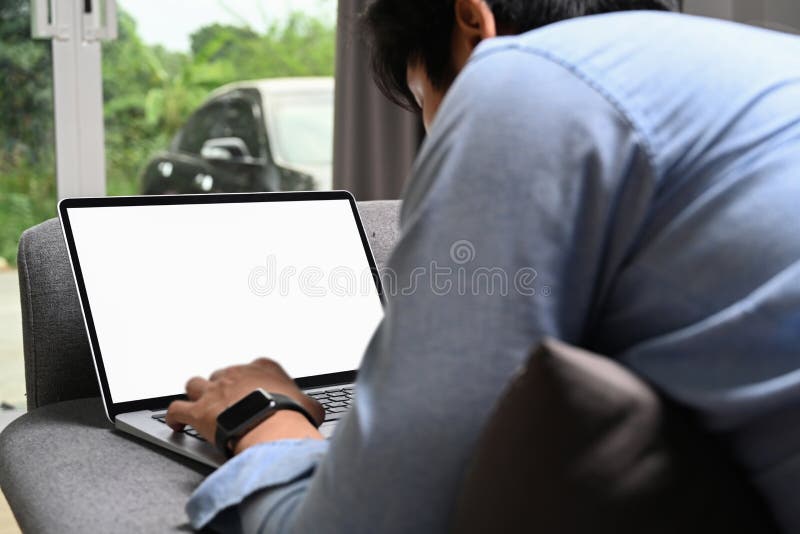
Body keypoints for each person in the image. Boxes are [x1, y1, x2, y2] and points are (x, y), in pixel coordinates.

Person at [165, 0, 800, 532]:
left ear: (473, 24)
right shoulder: (750, 67)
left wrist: (264, 419)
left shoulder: (524, 78)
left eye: (423, 103)